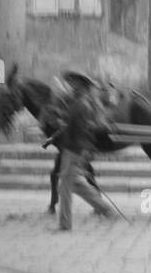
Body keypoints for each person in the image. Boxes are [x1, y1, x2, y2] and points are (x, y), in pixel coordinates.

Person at [45, 78, 123, 232]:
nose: (72, 88)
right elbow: (69, 125)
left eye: (75, 86)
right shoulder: (78, 103)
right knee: (76, 184)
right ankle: (106, 210)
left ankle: (65, 225)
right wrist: (54, 137)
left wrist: (77, 152)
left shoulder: (82, 105)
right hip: (74, 150)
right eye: (73, 86)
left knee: (65, 187)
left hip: (74, 151)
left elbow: (81, 131)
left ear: (82, 88)